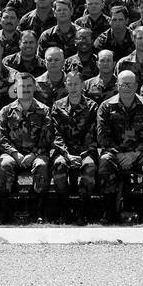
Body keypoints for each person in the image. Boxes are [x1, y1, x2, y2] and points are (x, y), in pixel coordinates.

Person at [95, 70, 143, 221]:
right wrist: (119, 154)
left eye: (130, 84)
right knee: (105, 160)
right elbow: (102, 136)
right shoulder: (106, 107)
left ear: (136, 85)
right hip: (116, 153)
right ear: (117, 86)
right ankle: (109, 210)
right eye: (123, 84)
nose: (126, 87)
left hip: (140, 154)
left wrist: (134, 154)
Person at [0, 71, 53, 222]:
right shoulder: (6, 111)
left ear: (34, 88)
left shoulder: (44, 110)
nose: (25, 89)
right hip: (13, 154)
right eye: (22, 86)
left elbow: (46, 137)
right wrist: (14, 153)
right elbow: (0, 137)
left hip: (36, 154)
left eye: (29, 86)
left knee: (42, 165)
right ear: (15, 88)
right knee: (4, 165)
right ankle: (3, 212)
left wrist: (33, 154)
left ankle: (39, 211)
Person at [49, 69, 99, 224]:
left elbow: (93, 134)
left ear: (83, 85)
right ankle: (65, 209)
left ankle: (83, 210)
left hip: (86, 151)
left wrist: (82, 155)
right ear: (65, 85)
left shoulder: (92, 107)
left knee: (89, 166)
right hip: (63, 152)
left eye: (76, 84)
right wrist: (67, 155)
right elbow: (55, 134)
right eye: (70, 84)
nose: (73, 87)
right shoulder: (58, 106)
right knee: (59, 165)